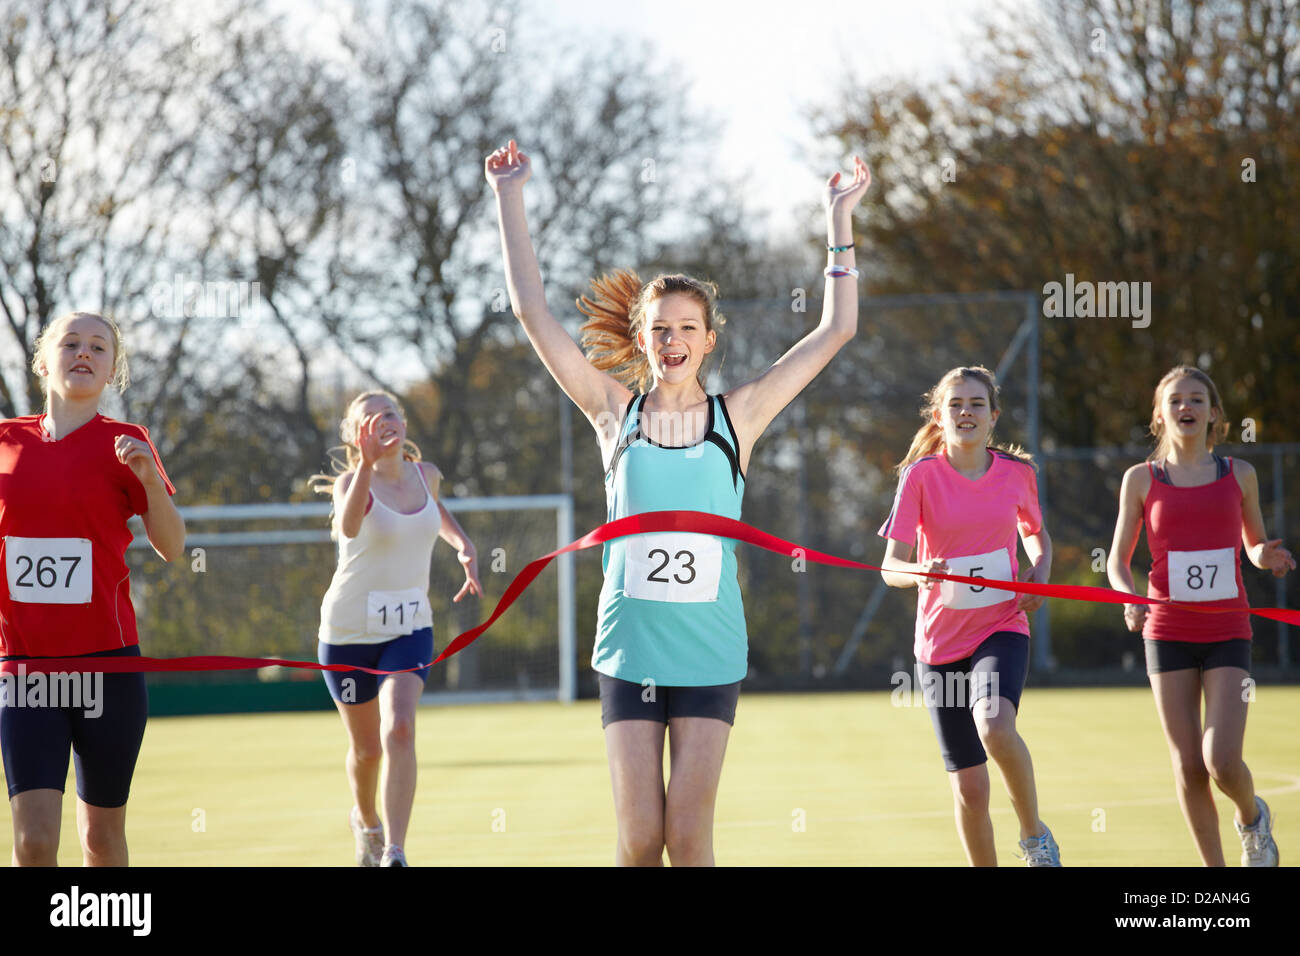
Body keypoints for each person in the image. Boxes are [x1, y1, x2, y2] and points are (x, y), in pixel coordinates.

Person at [485, 138, 870, 866]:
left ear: (708, 340)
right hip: (628, 651)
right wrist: (510, 195)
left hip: (710, 651)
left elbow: (837, 329)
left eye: (687, 328)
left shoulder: (740, 418)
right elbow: (533, 313)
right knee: (638, 841)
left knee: (689, 840)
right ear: (641, 338)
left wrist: (837, 219)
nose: (672, 340)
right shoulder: (613, 413)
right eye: (659, 328)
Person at [0, 311, 185, 866]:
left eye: (99, 347)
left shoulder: (127, 444)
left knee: (101, 839)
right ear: (43, 361)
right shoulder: (5, 442)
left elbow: (173, 546)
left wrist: (150, 479)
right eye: (72, 343)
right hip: (26, 672)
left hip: (109, 669)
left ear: (112, 371)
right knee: (33, 841)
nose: (84, 353)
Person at [1107, 365, 1292, 866]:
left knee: (1221, 760)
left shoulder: (1240, 474)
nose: (1186, 408)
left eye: (1196, 399)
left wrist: (1264, 557)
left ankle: (1253, 819)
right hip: (1166, 633)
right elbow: (1117, 560)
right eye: (1175, 401)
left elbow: (1252, 543)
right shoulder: (1141, 480)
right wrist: (1129, 597)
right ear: (1160, 415)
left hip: (1227, 629)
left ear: (1214, 413)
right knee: (1189, 767)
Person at [878, 365, 1059, 866]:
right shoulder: (920, 477)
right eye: (955, 404)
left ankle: (1034, 839)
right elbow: (889, 566)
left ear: (993, 416)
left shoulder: (1016, 474)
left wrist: (1039, 570)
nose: (966, 412)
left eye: (977, 404)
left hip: (1000, 627)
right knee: (971, 789)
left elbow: (1035, 534)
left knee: (996, 726)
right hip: (939, 648)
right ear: (939, 414)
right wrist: (919, 573)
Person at [312, 390, 482, 866]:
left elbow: (435, 513)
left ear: (402, 422)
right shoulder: (351, 483)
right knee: (366, 751)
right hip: (347, 635)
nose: (382, 421)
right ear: (355, 436)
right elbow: (348, 527)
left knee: (400, 730)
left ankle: (395, 851)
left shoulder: (427, 476)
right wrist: (366, 466)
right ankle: (366, 822)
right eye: (369, 419)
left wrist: (462, 543)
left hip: (409, 628)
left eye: (388, 412)